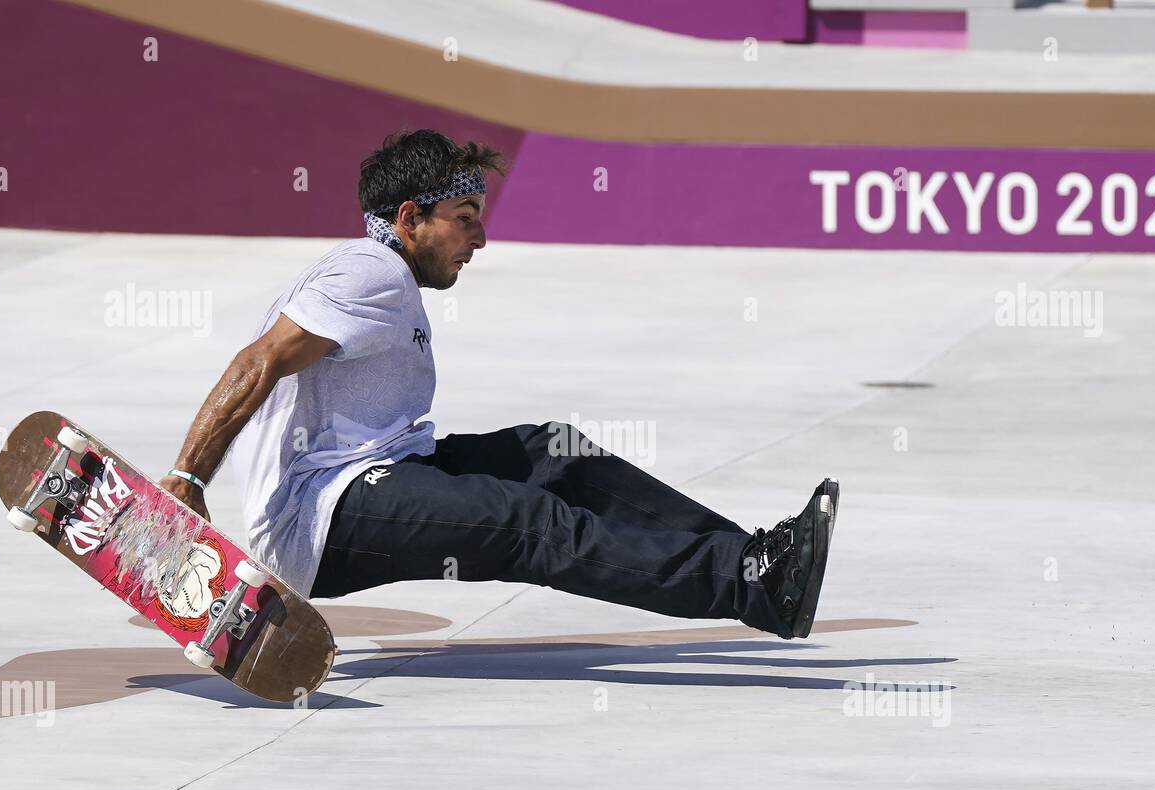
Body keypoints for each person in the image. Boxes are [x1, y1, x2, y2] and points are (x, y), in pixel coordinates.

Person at [158, 129, 837, 640]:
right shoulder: (368, 273)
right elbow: (259, 361)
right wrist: (188, 478)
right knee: (530, 524)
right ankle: (750, 586)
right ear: (408, 218)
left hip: (386, 468)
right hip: (322, 515)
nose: (480, 237)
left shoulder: (379, 275)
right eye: (464, 216)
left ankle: (756, 559)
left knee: (557, 452)